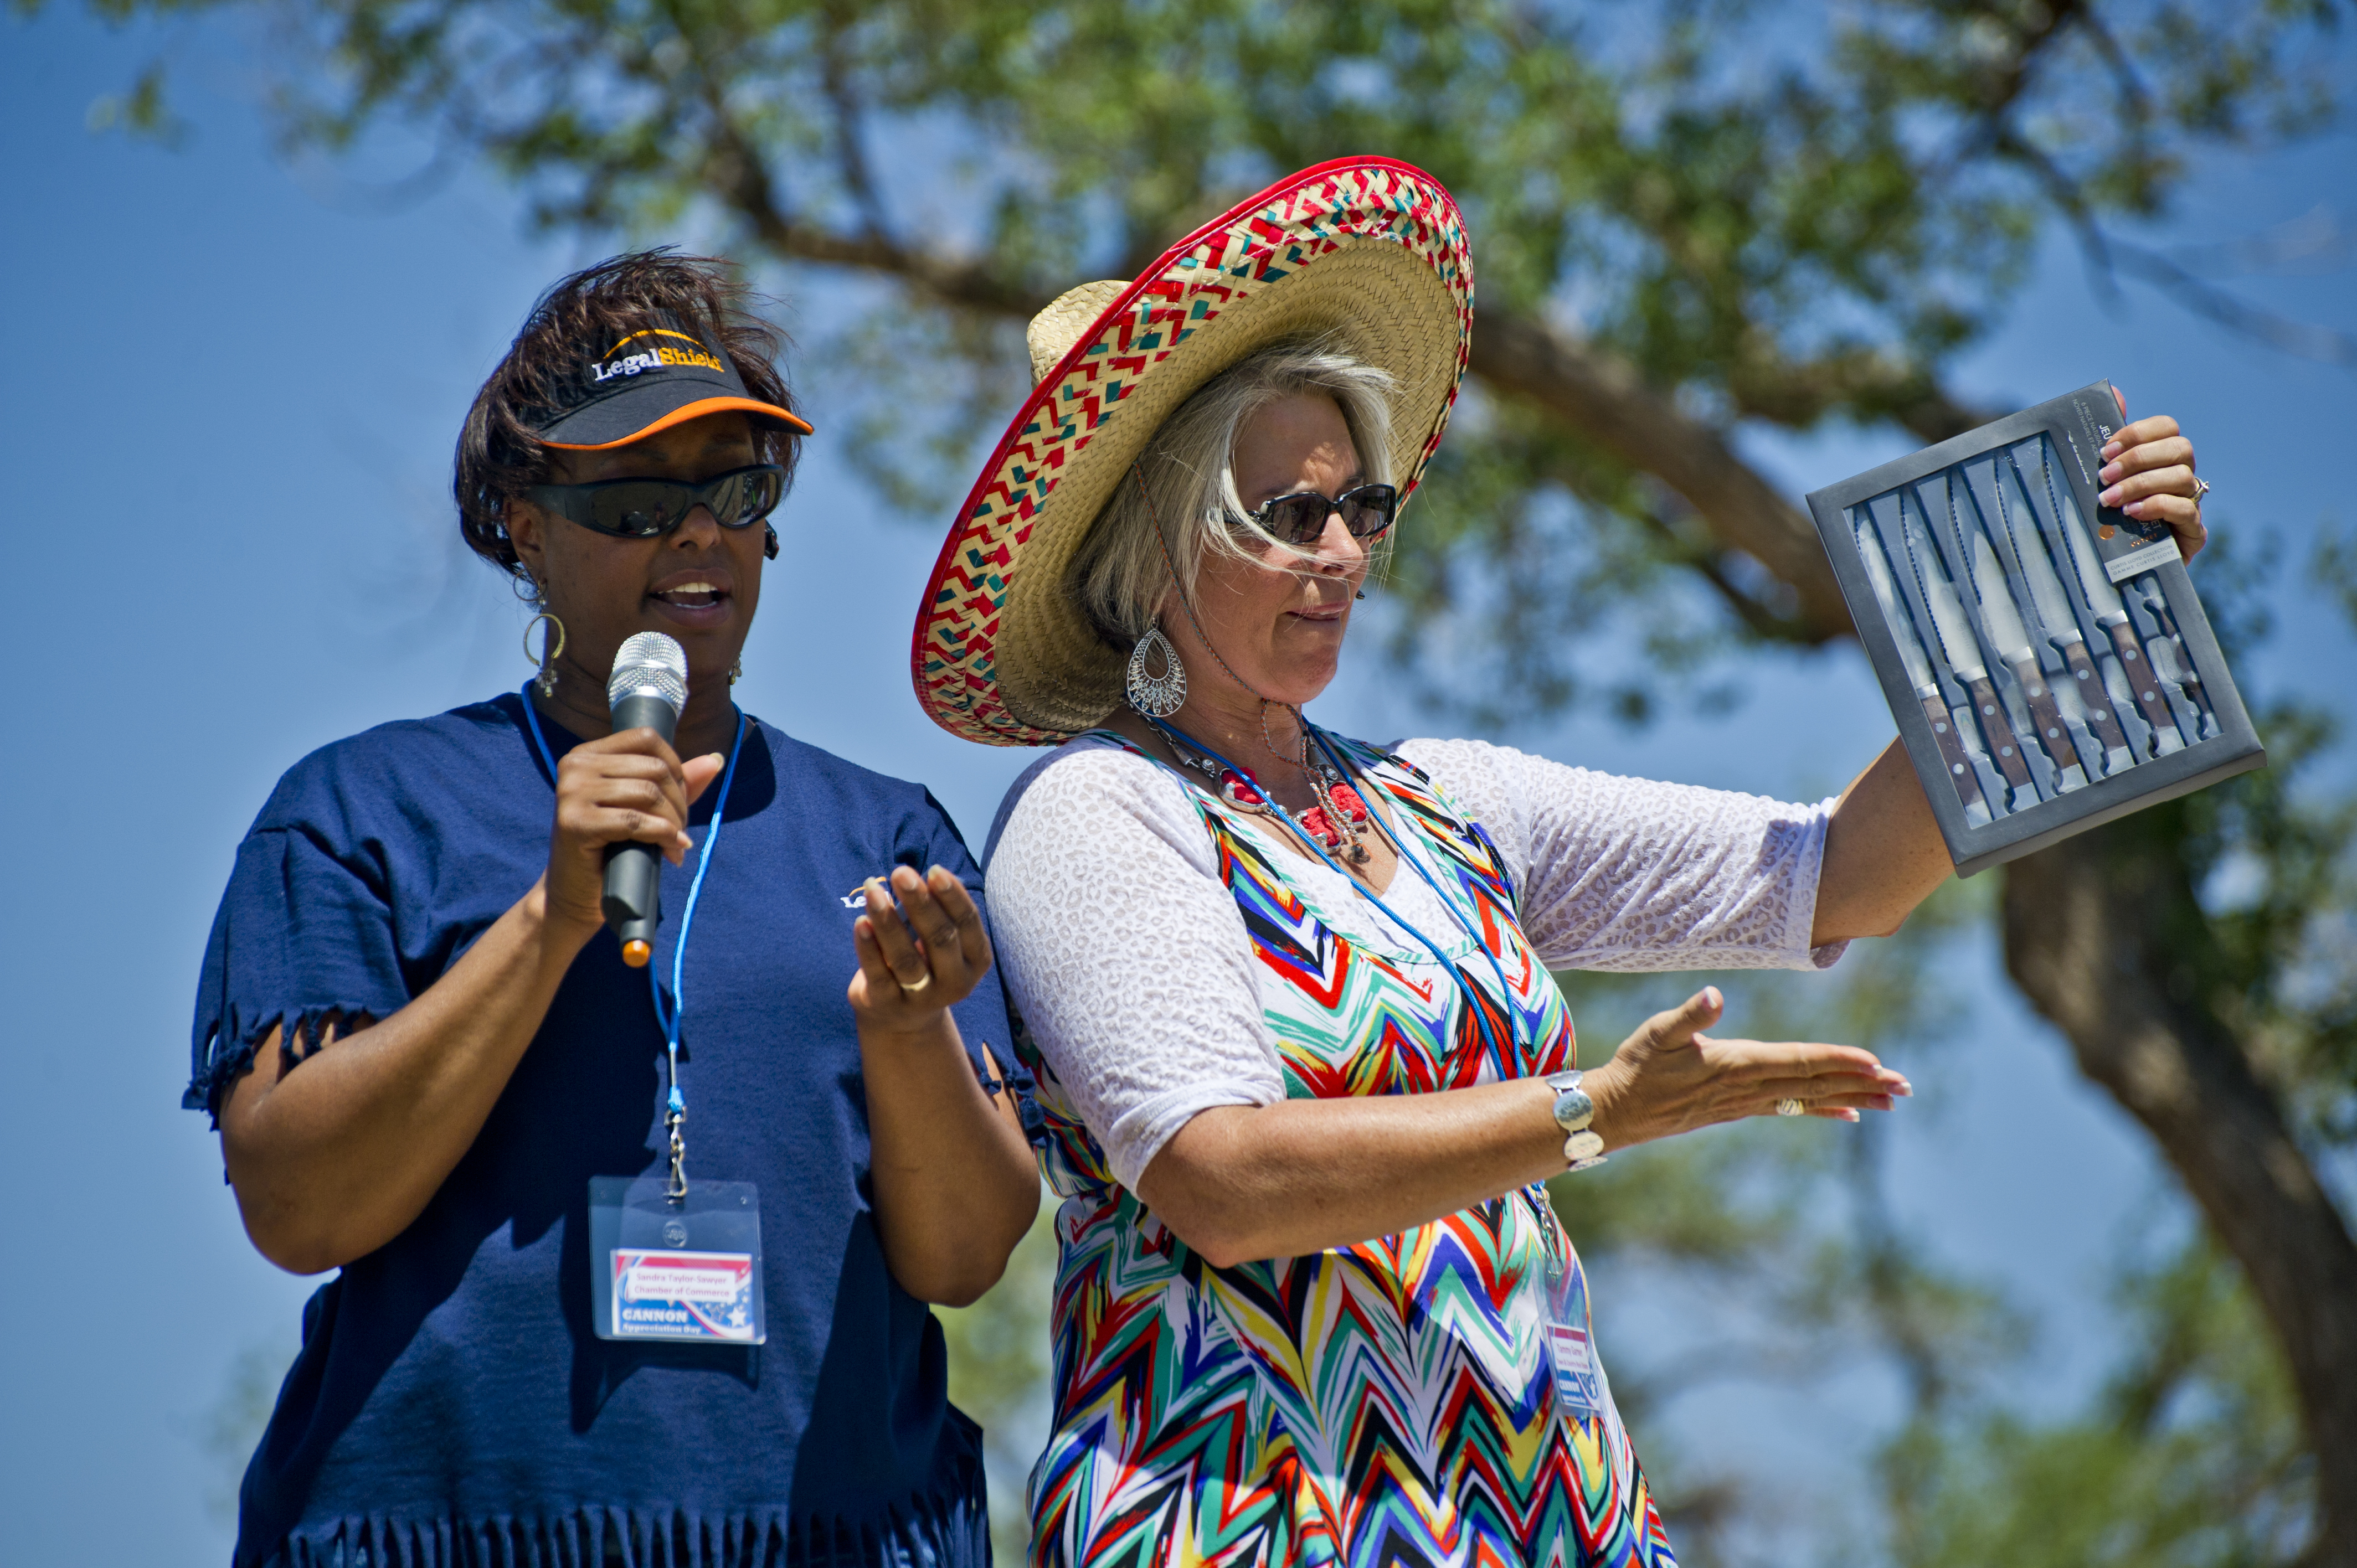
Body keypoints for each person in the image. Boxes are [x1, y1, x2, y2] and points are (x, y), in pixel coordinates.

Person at [907, 159, 2211, 1566]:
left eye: (1367, 509)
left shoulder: (1443, 799)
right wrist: (1594, 1115)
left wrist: (2071, 597)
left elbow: (1842, 875)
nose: (1345, 551)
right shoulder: (1097, 813)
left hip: (1545, 1524)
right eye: (1293, 514)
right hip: (1258, 1527)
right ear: (1155, 542)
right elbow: (1222, 1183)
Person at [187, 251, 1042, 1567]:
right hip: (454, 1532)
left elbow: (968, 1254)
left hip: (834, 1531)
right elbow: (298, 1208)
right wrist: (548, 921)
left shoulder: (885, 838)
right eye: (640, 496)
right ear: (524, 525)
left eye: (736, 489)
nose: (698, 532)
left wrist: (910, 1033)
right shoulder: (364, 812)